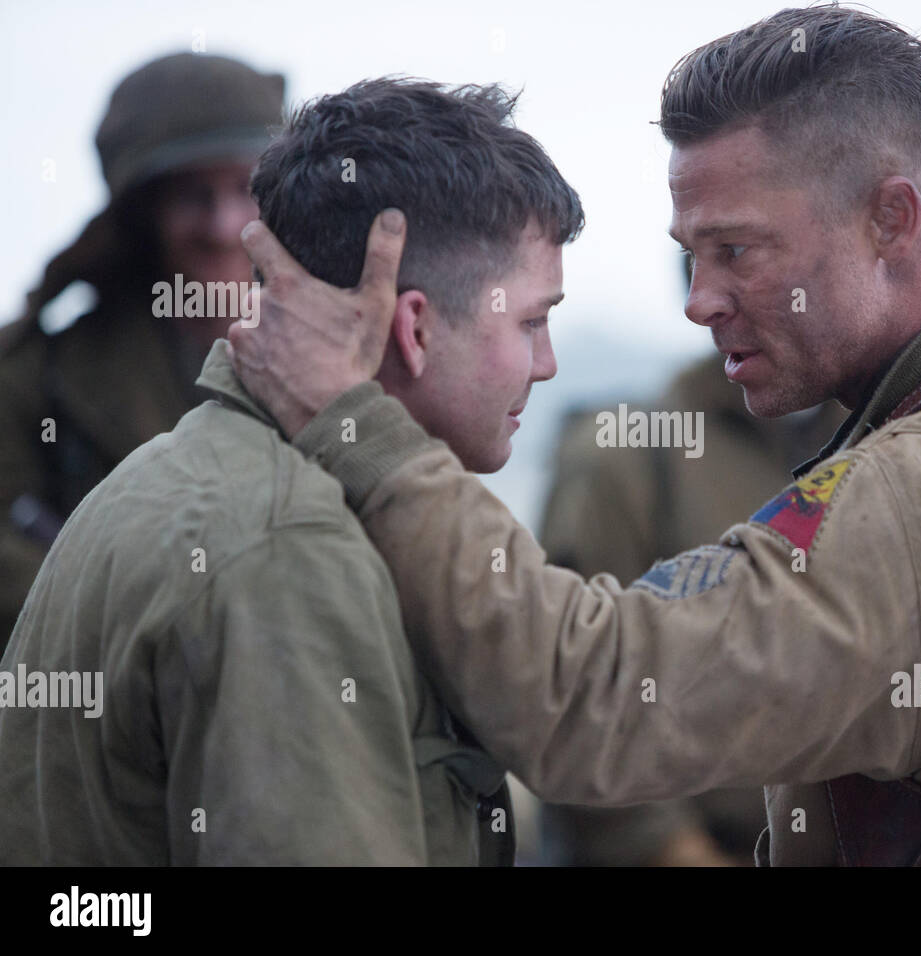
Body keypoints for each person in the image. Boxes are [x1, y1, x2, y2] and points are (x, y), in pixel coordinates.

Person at [229, 7, 921, 865]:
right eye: (690, 255)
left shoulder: (918, 500)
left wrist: (353, 423)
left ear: (893, 218)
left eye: (737, 251)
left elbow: (586, 693)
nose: (699, 301)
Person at [0, 78, 582, 864]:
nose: (547, 365)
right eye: (532, 321)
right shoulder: (290, 545)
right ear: (413, 326)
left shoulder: (192, 465)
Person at [537, 285, 843, 866]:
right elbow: (575, 694)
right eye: (717, 253)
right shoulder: (625, 460)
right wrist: (675, 850)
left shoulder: (897, 441)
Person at [0, 52, 284, 650]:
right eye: (193, 196)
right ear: (143, 215)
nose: (223, 223)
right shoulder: (39, 380)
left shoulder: (348, 358)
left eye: (245, 188)